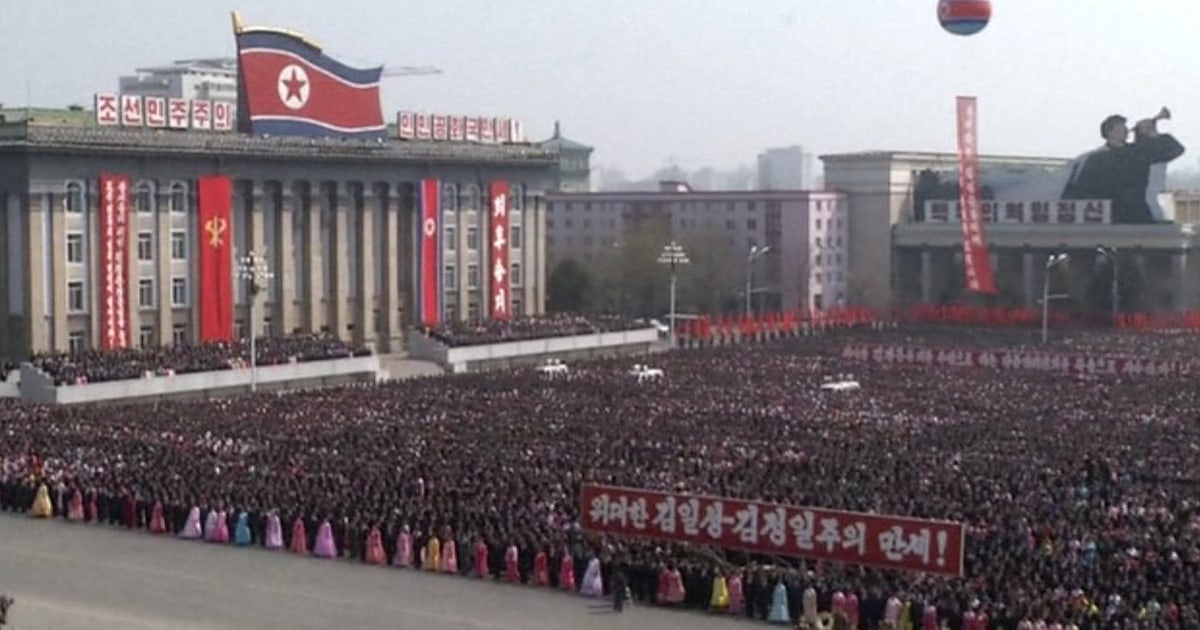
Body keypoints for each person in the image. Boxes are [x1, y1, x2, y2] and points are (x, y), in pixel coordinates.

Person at [1062, 110, 1185, 223]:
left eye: (1125, 127)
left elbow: (1176, 149)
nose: (1125, 130)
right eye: (1120, 127)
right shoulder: (1096, 158)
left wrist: (1152, 133)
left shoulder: (1137, 152)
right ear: (1109, 132)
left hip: (1137, 215)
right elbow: (1082, 190)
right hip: (1110, 217)